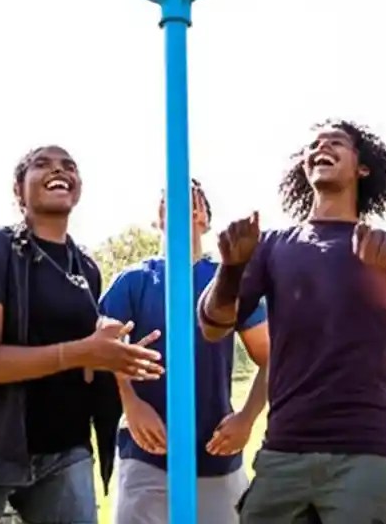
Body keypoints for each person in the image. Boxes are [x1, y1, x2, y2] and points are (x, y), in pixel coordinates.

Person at [198, 119, 386, 524]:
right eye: (314, 145)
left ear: (362, 168)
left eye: (336, 142)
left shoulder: (384, 249)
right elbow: (213, 326)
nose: (322, 147)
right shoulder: (271, 246)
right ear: (305, 167)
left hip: (366, 451)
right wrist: (232, 269)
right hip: (284, 451)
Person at [0, 144, 167, 524]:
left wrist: (118, 362)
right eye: (42, 164)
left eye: (69, 166)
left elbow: (90, 359)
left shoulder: (86, 267)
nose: (59, 170)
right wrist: (82, 352)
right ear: (18, 191)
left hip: (65, 451)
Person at [99, 180, 270, 524]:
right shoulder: (134, 281)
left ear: (205, 219)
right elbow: (101, 349)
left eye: (195, 201)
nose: (182, 204)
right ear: (158, 219)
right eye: (169, 199)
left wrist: (247, 418)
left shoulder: (227, 282)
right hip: (146, 453)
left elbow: (273, 357)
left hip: (216, 453)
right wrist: (130, 403)